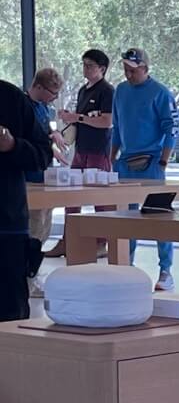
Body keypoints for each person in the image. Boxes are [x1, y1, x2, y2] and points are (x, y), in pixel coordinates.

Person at [110, 48, 177, 291]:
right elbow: (117, 127)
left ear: (145, 69)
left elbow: (171, 128)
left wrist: (163, 161)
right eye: (125, 70)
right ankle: (127, 267)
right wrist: (112, 158)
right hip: (125, 162)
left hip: (152, 161)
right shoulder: (120, 91)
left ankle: (166, 270)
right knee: (127, 219)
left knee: (159, 217)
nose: (128, 74)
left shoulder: (160, 93)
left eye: (133, 70)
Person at [46, 49, 116, 259]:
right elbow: (79, 118)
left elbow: (107, 121)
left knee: (100, 199)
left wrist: (78, 118)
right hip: (81, 149)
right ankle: (68, 240)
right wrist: (69, 120)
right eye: (84, 64)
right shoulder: (83, 91)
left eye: (90, 65)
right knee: (72, 196)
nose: (85, 68)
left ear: (102, 69)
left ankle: (101, 242)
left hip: (98, 150)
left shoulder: (107, 91)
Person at [0, 79, 52, 321]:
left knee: (11, 319)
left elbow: (43, 156)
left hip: (6, 229)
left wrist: (12, 145)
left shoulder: (10, 98)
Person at [22, 70, 68, 274]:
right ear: (38, 87)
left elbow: (45, 135)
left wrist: (54, 139)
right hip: (28, 176)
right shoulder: (21, 107)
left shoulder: (45, 110)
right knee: (32, 226)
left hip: (45, 174)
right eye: (52, 93)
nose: (54, 98)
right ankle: (27, 277)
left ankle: (34, 272)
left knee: (44, 227)